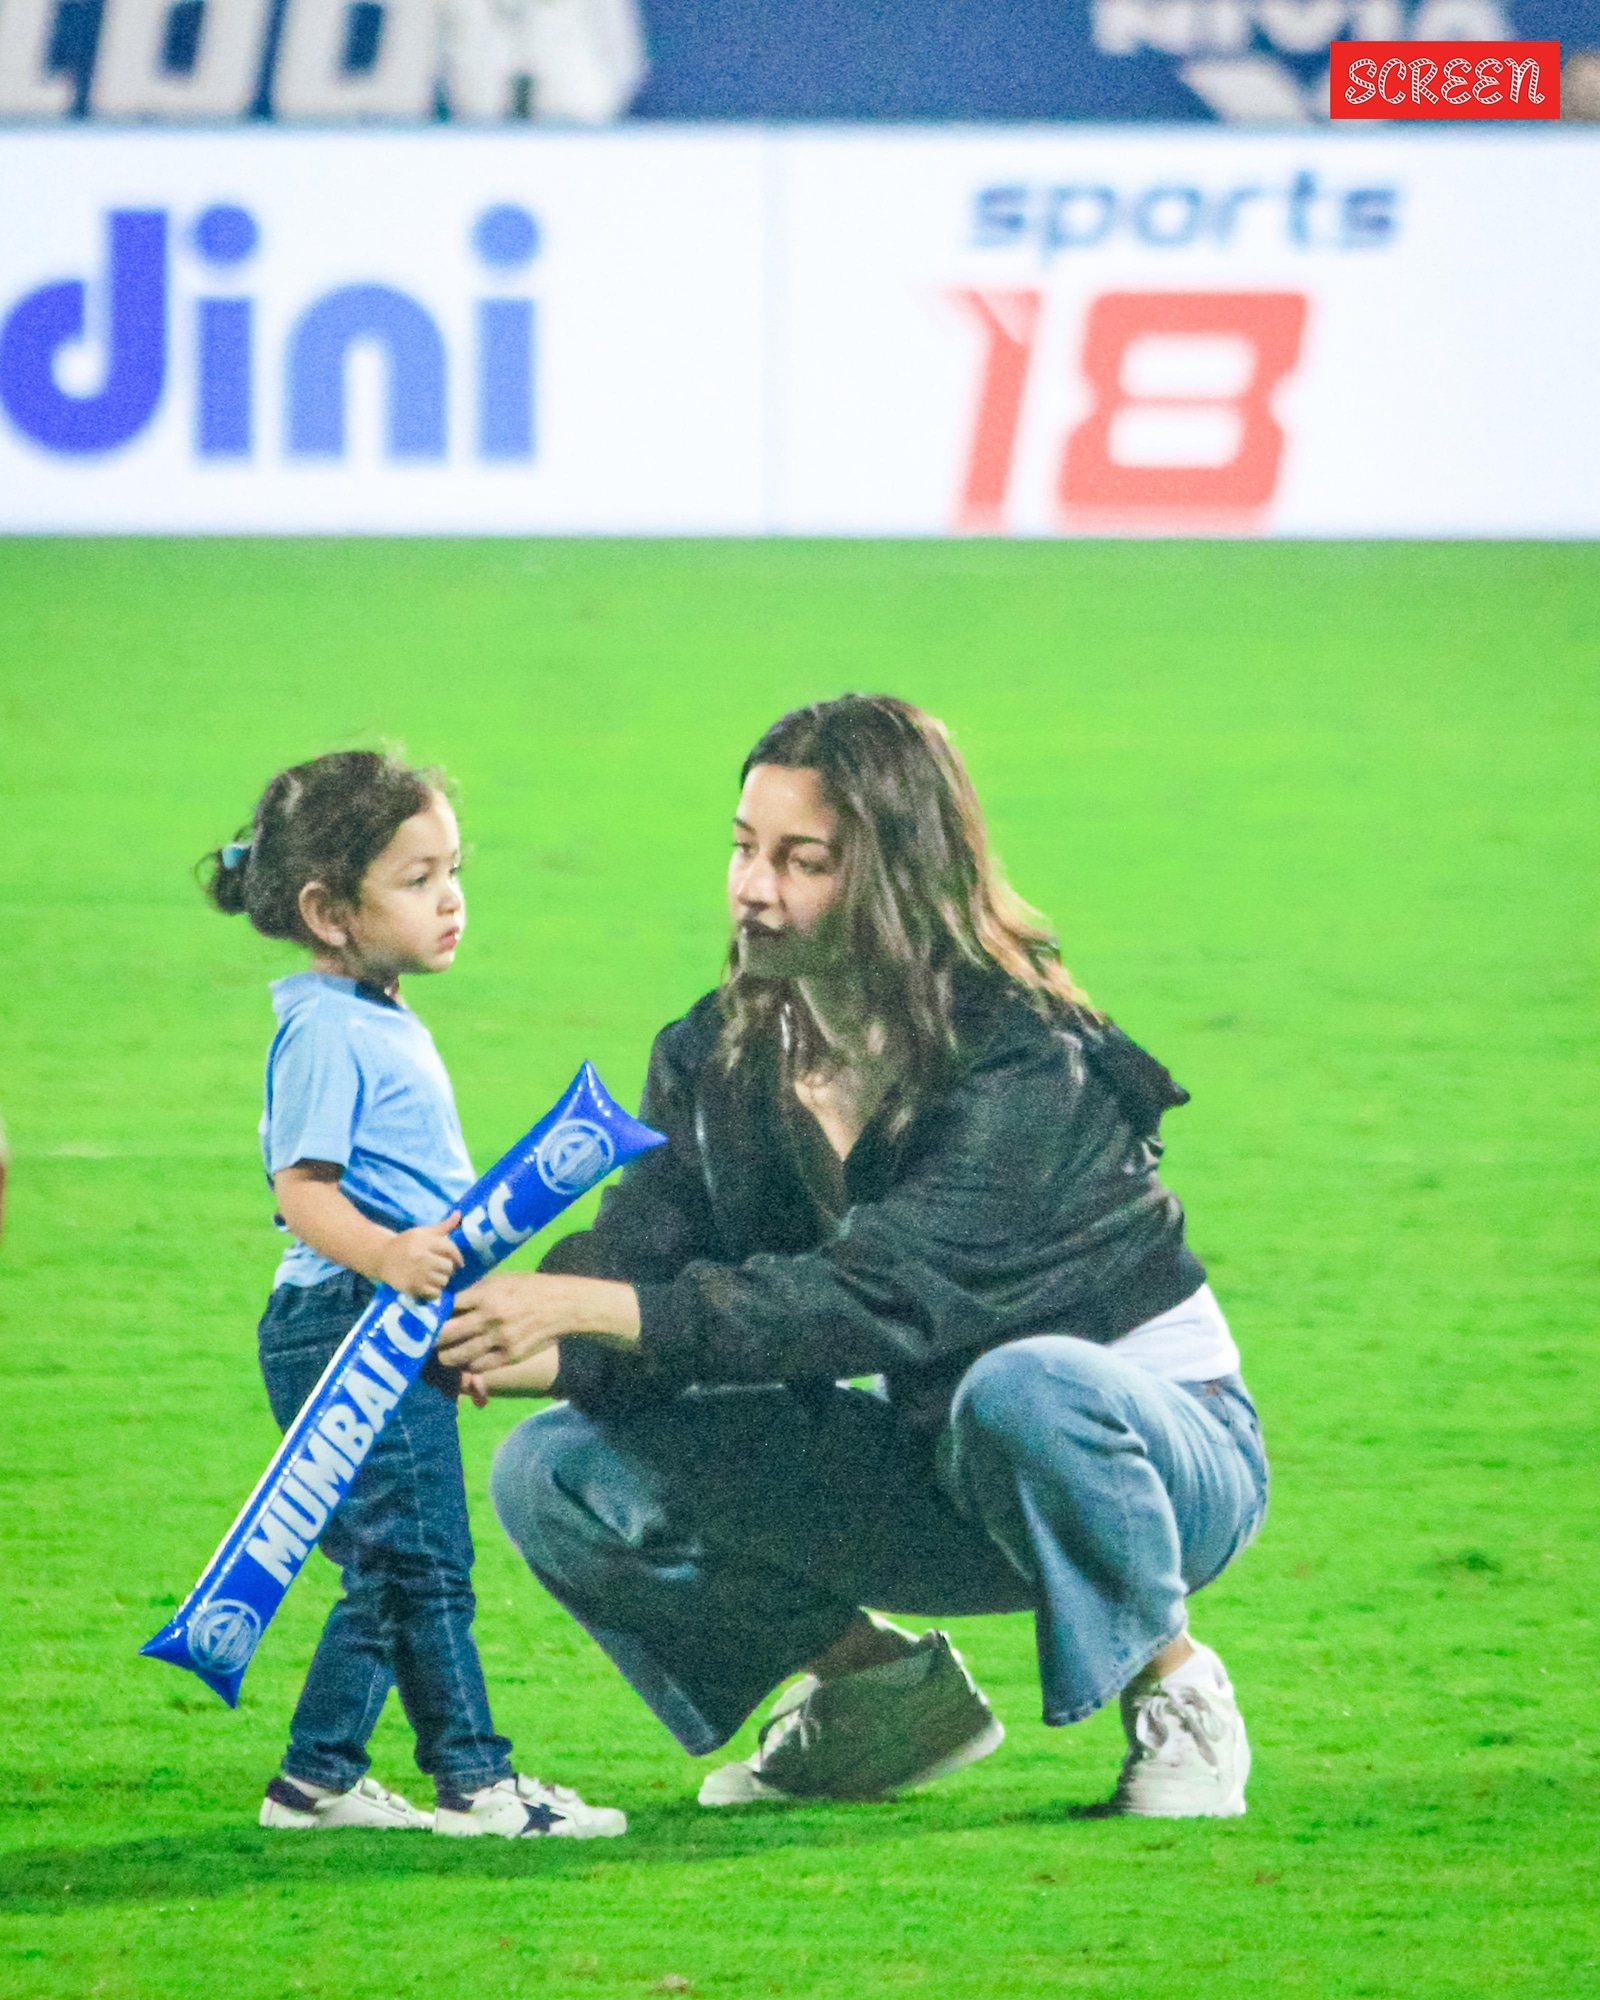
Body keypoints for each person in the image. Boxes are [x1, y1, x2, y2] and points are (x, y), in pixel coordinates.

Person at [441, 697, 1268, 1817]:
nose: (752, 887)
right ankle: (876, 1693)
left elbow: (881, 1297)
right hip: (940, 1463)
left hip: (1155, 1459)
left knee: (1023, 1385)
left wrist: (586, 1306)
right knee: (553, 1470)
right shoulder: (719, 1050)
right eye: (742, 846)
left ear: (892, 870)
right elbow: (644, 1261)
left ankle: (1173, 1684)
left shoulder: (1026, 1062)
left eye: (802, 859)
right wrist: (484, 1341)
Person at [205, 749, 624, 1840]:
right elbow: (302, 1191)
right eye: (416, 876)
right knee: (423, 1561)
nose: (450, 898)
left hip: (384, 1328)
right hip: (343, 1324)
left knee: (391, 1566)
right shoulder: (328, 1029)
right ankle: (477, 1785)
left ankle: (318, 1779)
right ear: (327, 909)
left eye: (453, 868)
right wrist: (392, 1261)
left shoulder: (370, 1012)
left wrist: (439, 1332)